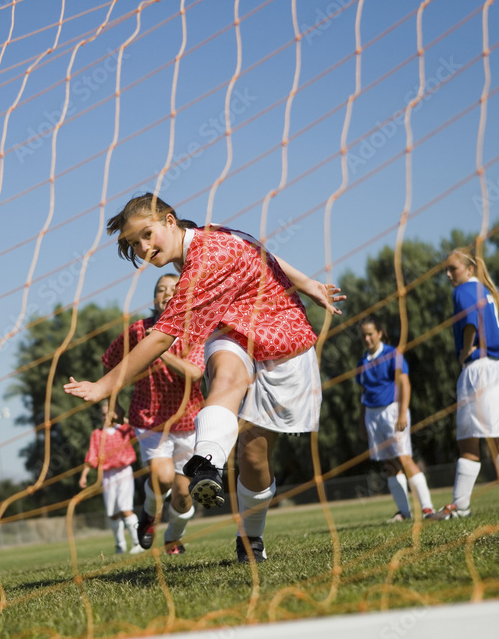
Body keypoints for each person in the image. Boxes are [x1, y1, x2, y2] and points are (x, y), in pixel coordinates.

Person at [65, 193, 344, 564]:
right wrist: (307, 281)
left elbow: (162, 338)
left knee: (253, 457)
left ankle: (250, 537)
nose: (144, 248)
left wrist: (104, 386)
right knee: (226, 376)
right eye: (134, 244)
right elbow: (259, 249)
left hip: (283, 336)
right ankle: (207, 464)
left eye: (147, 235)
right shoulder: (204, 240)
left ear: (169, 220)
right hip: (234, 329)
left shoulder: (203, 260)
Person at [100, 274, 204, 555]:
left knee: (183, 494)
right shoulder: (137, 331)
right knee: (164, 477)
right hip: (149, 419)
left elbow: (194, 373)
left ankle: (173, 537)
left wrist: (161, 348)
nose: (167, 294)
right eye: (161, 290)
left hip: (188, 421)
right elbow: (110, 362)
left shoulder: (195, 330)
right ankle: (148, 516)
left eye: (174, 289)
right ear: (154, 297)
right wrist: (113, 404)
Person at [428, 248, 499, 520]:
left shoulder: (463, 291)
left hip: (480, 368)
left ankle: (460, 506)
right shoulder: (486, 290)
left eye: (453, 269)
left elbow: (470, 321)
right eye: (446, 270)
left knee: (468, 440)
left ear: (469, 270)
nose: (448, 275)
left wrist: (465, 350)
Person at [355, 316, 434, 522]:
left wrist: (401, 412)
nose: (367, 339)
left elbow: (404, 384)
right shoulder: (362, 361)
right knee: (389, 465)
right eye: (363, 335)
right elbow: (363, 395)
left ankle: (427, 509)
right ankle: (404, 512)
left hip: (392, 411)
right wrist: (362, 422)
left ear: (379, 333)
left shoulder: (392, 355)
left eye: (370, 334)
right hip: (372, 416)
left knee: (404, 458)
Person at [78, 404, 143, 555]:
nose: (106, 417)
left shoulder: (124, 429)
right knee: (113, 512)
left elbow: (138, 430)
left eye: (109, 414)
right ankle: (120, 545)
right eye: (103, 414)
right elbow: (92, 456)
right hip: (107, 475)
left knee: (125, 508)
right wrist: (84, 474)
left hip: (124, 472)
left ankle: (137, 542)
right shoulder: (97, 434)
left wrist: (121, 418)